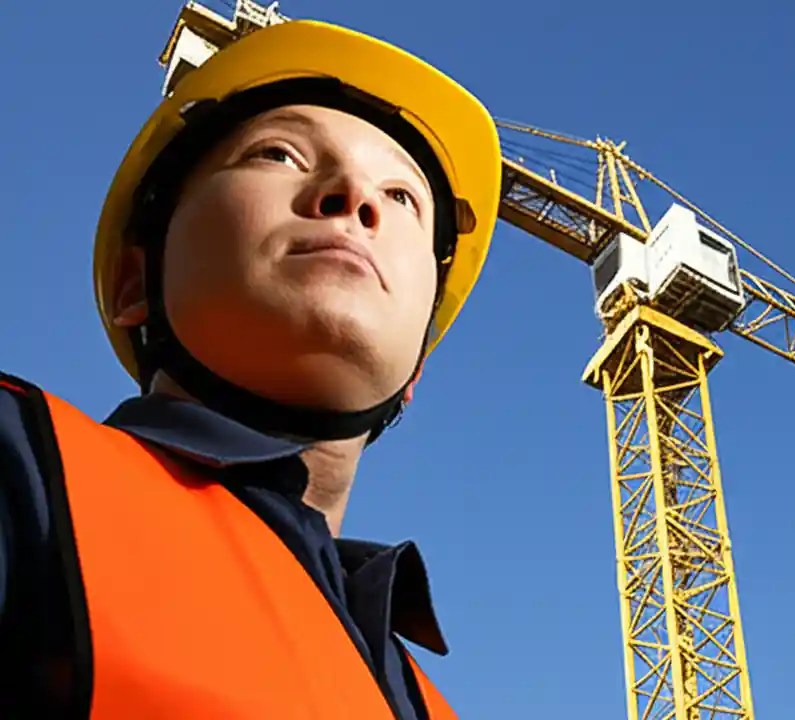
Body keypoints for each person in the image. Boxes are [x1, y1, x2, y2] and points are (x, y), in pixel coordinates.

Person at [0, 17, 500, 719]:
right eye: (279, 153)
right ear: (136, 283)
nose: (355, 197)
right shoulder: (24, 462)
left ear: (416, 370)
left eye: (401, 198)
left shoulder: (422, 699)